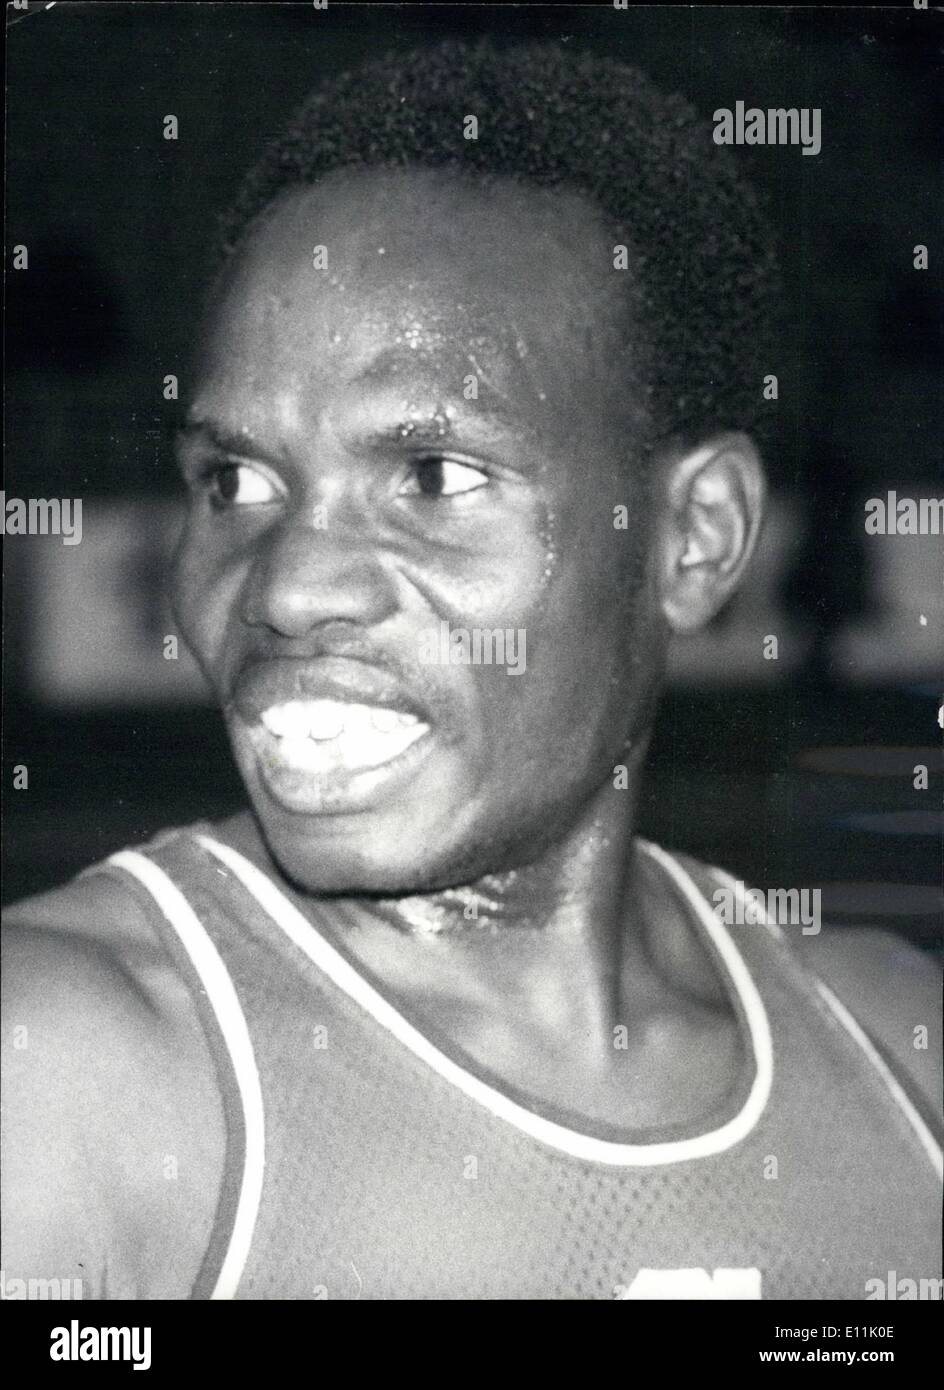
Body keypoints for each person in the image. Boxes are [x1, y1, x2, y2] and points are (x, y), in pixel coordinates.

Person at [2, 40, 939, 1301]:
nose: (284, 585)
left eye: (433, 479)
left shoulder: (896, 1054)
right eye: (234, 481)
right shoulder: (63, 1069)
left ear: (696, 533)